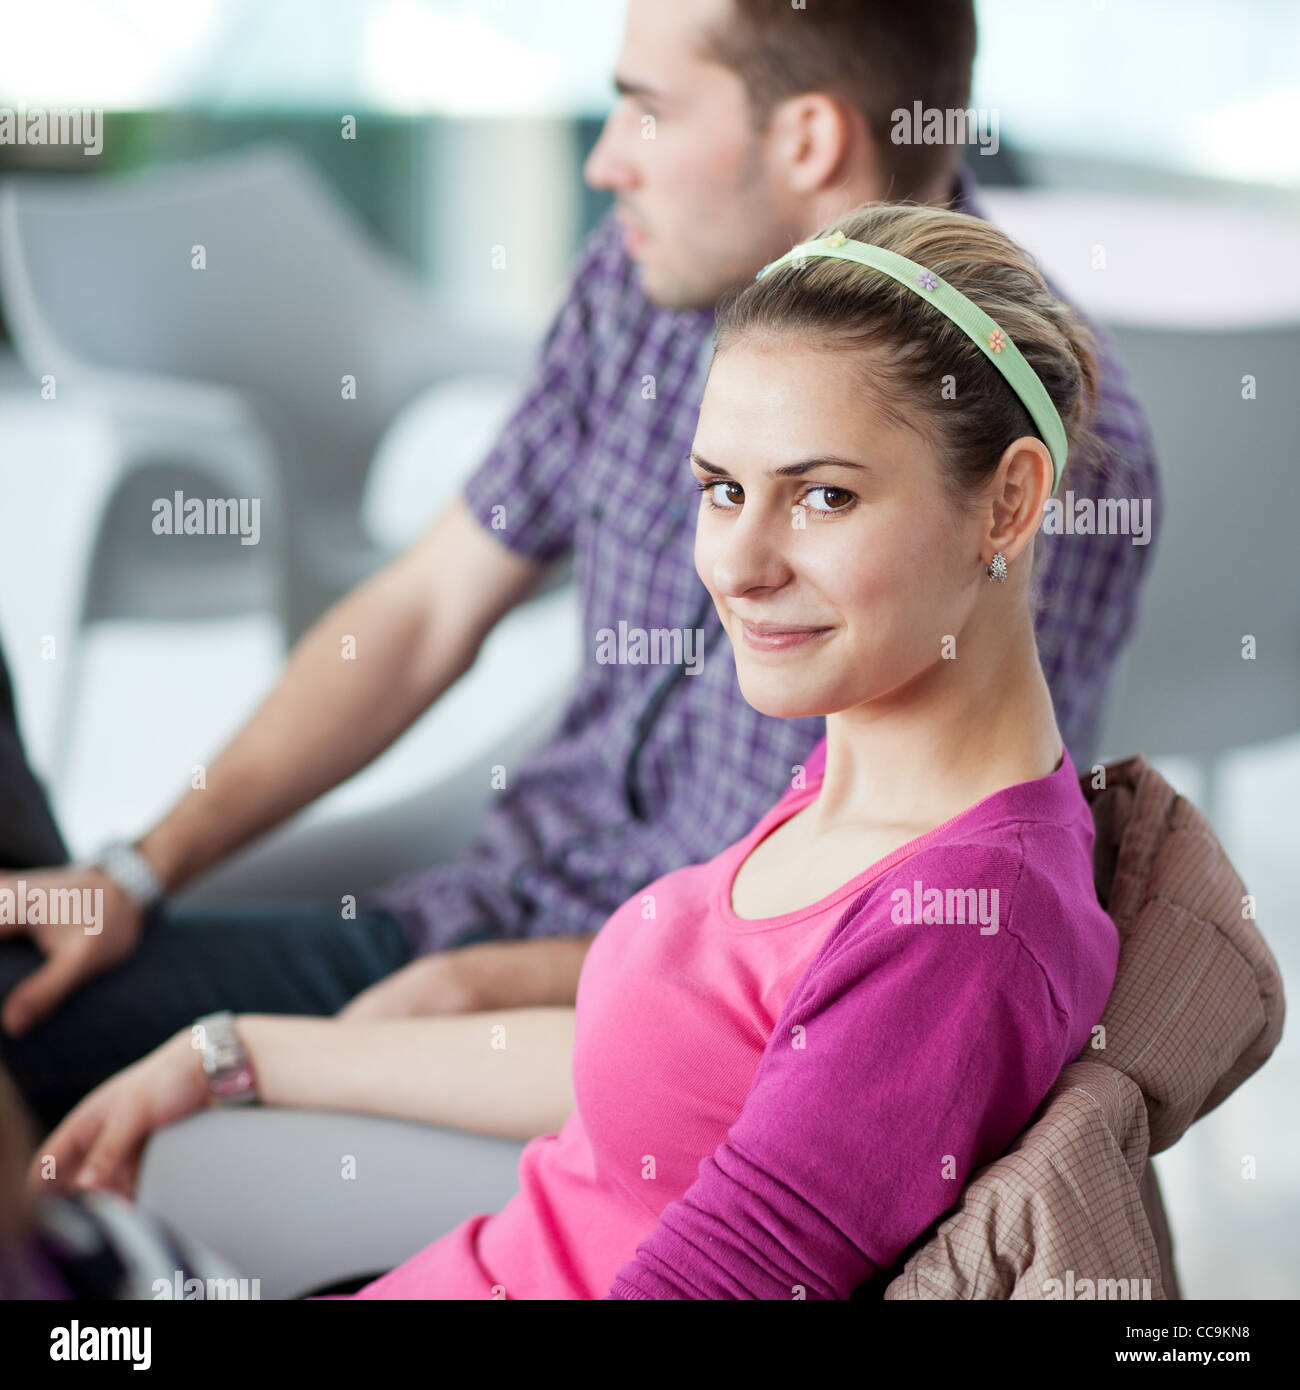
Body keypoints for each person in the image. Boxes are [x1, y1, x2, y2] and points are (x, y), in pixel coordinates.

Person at [0, 0, 1159, 1132]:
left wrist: (486, 988)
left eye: (645, 109)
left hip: (626, 1040)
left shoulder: (1029, 451)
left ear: (806, 138)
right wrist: (136, 873)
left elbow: (893, 935)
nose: (605, 162)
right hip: (461, 917)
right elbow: (425, 607)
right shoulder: (648, 279)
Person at [35, 203, 1121, 1300]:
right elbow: (657, 1078)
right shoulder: (861, 781)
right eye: (722, 490)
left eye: (823, 495)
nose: (736, 565)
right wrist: (233, 1051)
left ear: (1010, 501)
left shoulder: (960, 921)